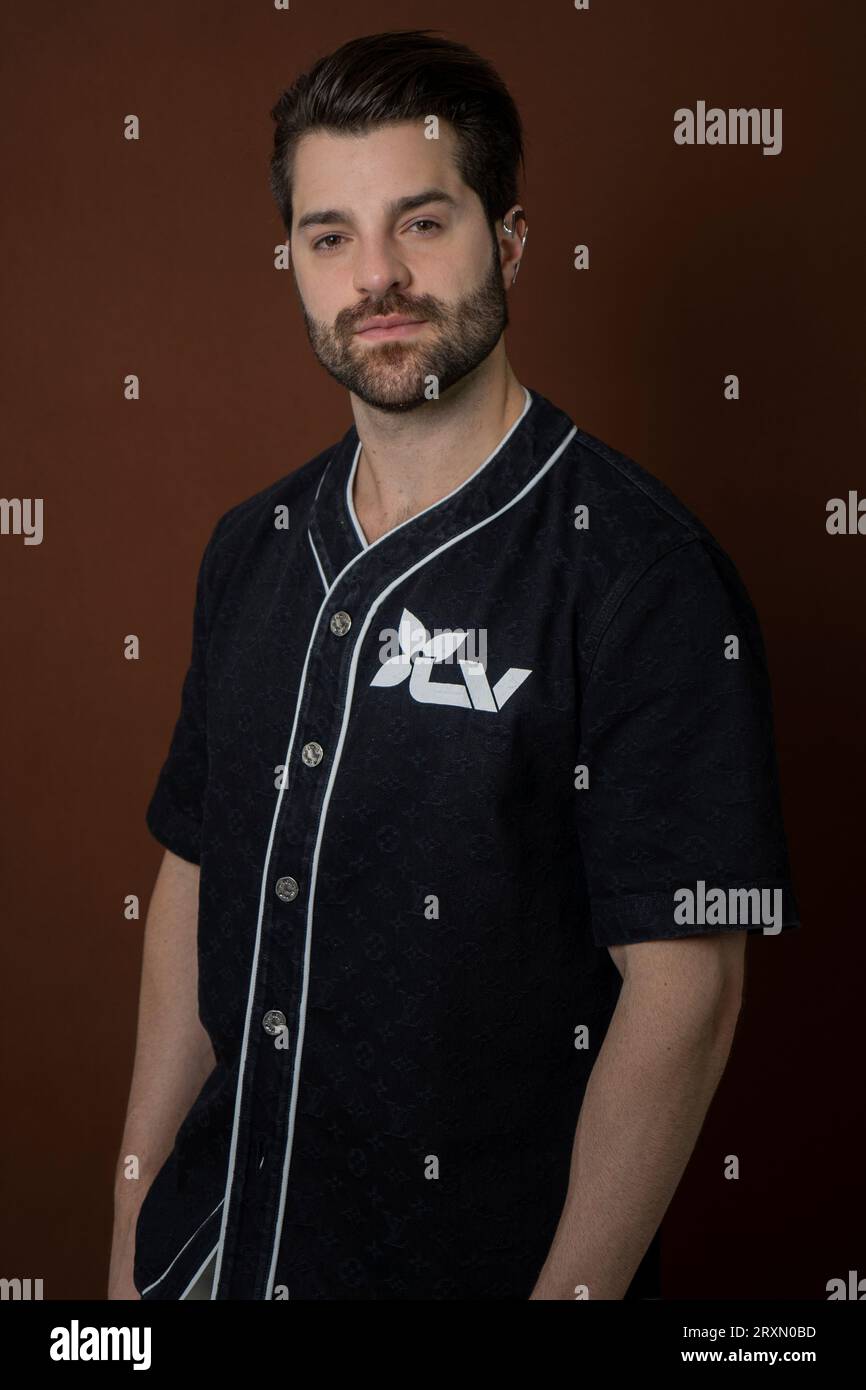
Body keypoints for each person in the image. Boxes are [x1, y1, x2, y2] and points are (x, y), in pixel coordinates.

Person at [109, 28, 800, 1302]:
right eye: (329, 236)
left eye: (419, 223)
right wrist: (131, 1235)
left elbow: (685, 989)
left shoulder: (640, 576)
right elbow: (190, 878)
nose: (375, 276)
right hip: (213, 1262)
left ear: (511, 238)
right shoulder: (248, 551)